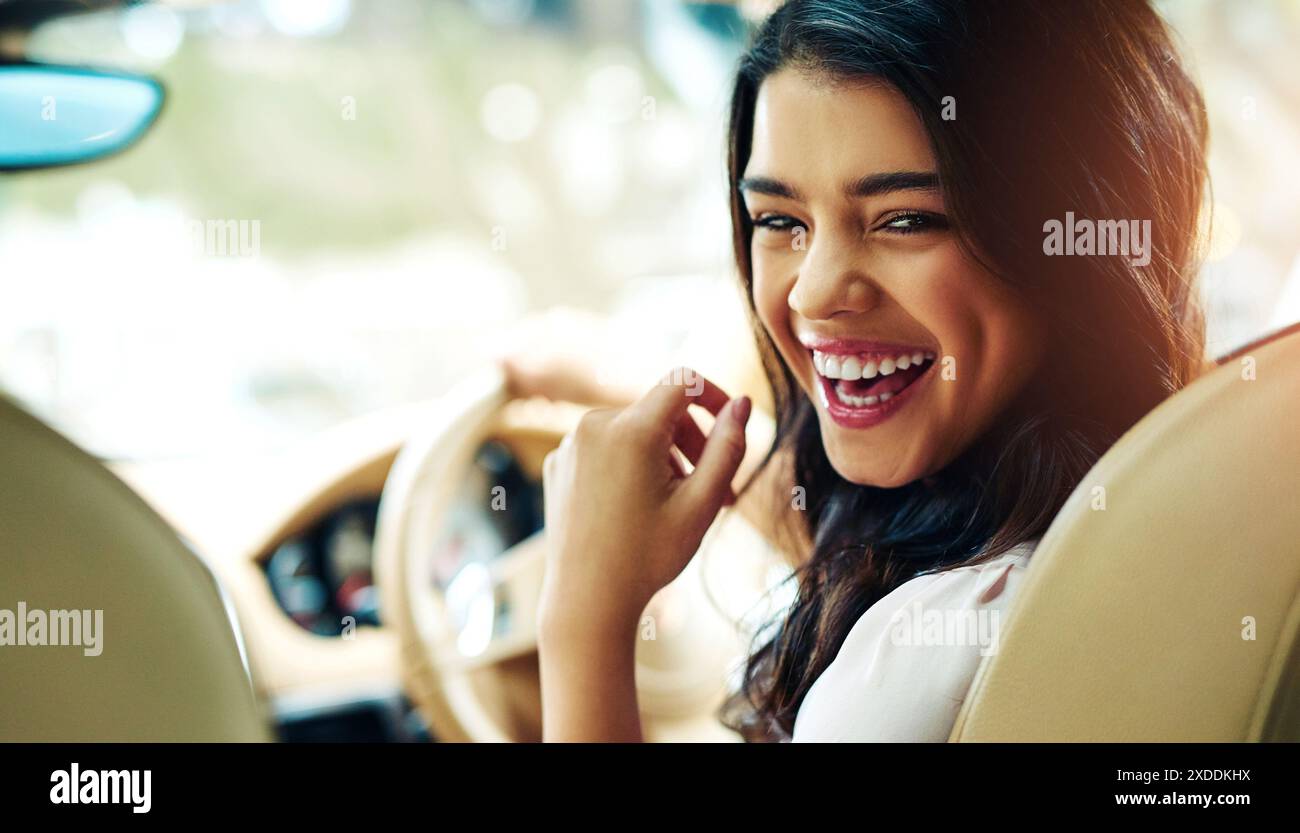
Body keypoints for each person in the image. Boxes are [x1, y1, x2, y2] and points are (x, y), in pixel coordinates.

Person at [516, 0, 1209, 742]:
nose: (814, 291)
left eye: (905, 219)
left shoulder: (911, 671)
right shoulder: (1144, 512)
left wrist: (584, 618)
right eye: (780, 221)